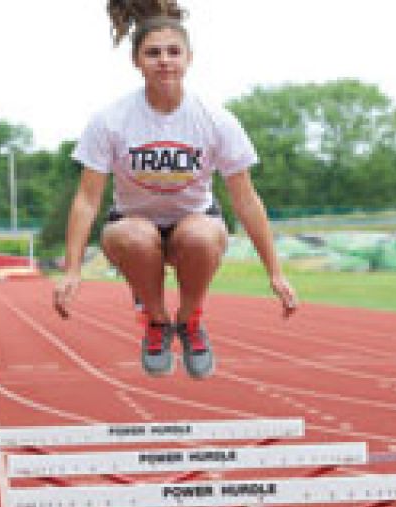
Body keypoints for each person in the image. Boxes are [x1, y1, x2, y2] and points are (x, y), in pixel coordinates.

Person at [52, 0, 297, 379]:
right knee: (136, 235)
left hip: (195, 223)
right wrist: (72, 270)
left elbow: (246, 199)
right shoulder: (110, 120)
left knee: (201, 235)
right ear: (136, 61)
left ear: (189, 58)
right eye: (153, 53)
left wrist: (275, 272)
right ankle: (156, 320)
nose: (164, 61)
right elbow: (87, 199)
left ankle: (189, 318)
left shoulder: (216, 120)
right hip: (131, 225)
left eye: (173, 51)